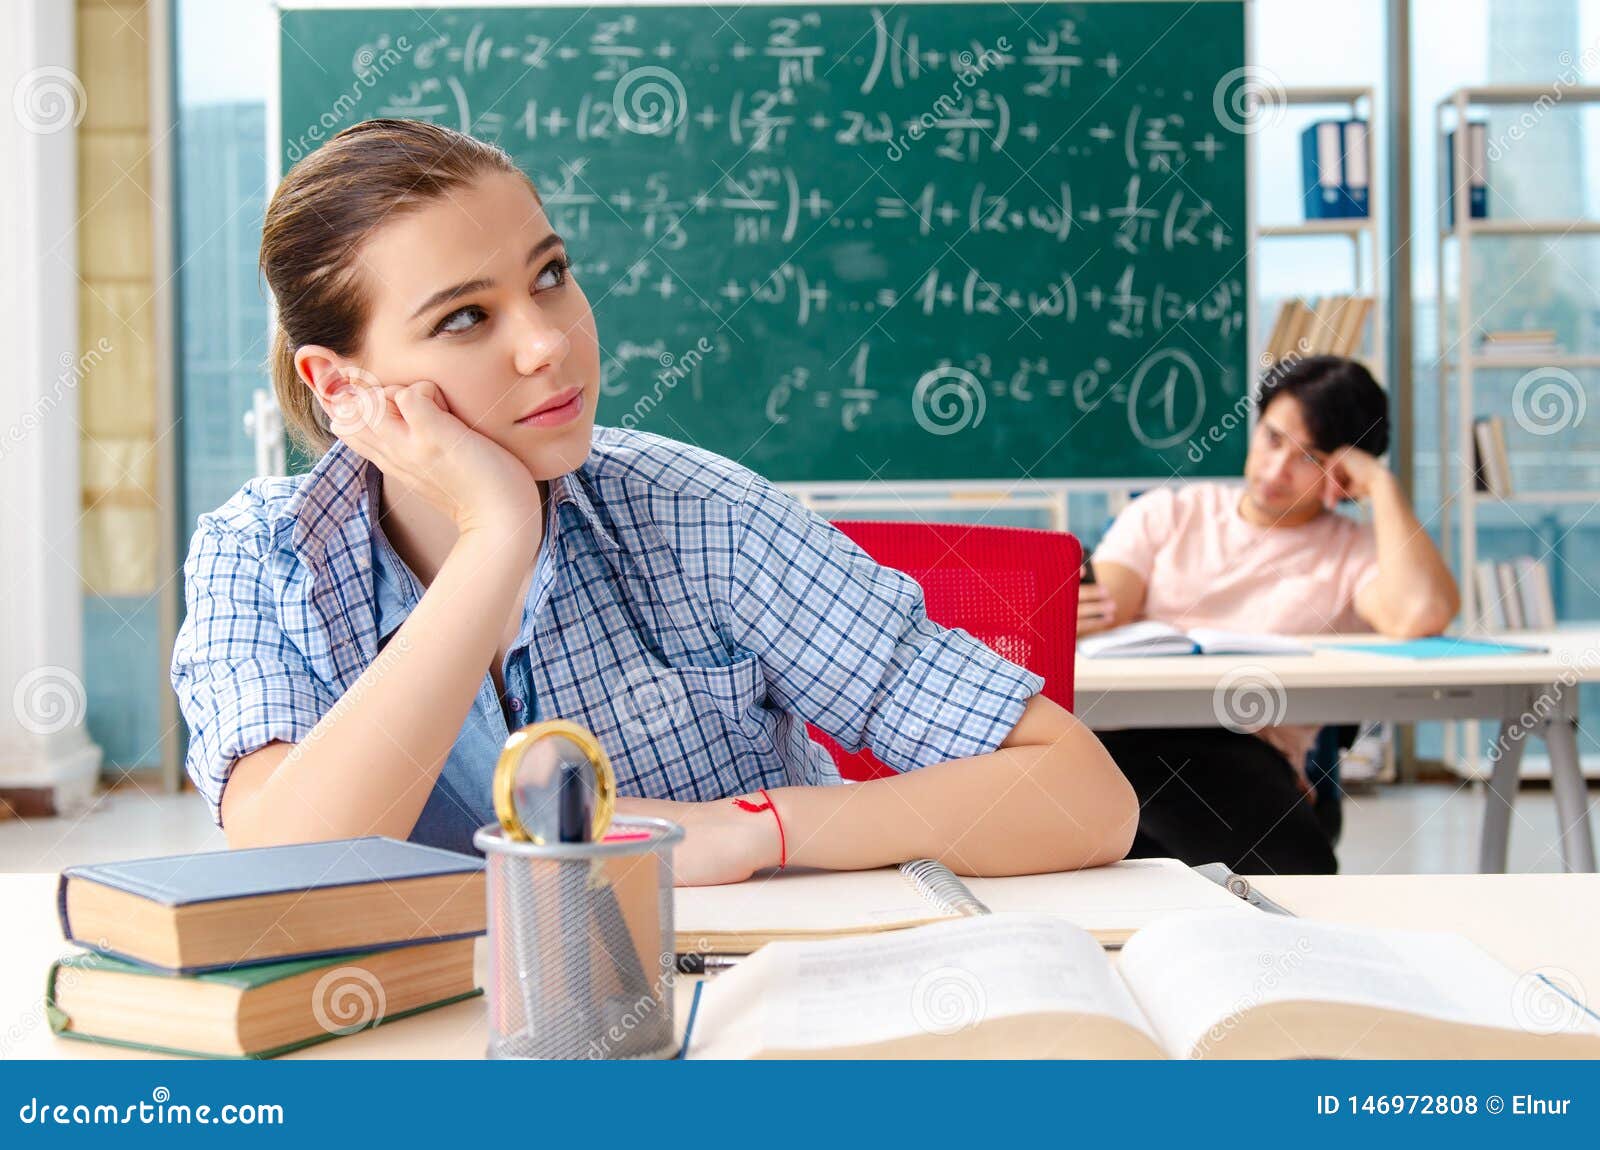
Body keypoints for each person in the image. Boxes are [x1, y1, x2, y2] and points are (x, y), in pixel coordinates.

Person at [171, 118, 1137, 885]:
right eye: (466, 317)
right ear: (341, 387)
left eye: (550, 276)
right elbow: (287, 877)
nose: (547, 341)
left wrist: (763, 828)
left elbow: (1086, 799)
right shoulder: (259, 557)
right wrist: (494, 535)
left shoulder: (693, 513)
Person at [1078, 356, 1459, 874]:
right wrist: (1068, 610)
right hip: (1127, 731)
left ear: (1344, 471)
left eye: (1310, 456)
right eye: (1273, 438)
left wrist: (1383, 487)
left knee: (1278, 859)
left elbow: (1421, 612)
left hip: (1244, 752)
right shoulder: (1167, 513)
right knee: (1288, 865)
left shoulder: (1352, 551)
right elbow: (1102, 610)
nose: (1277, 470)